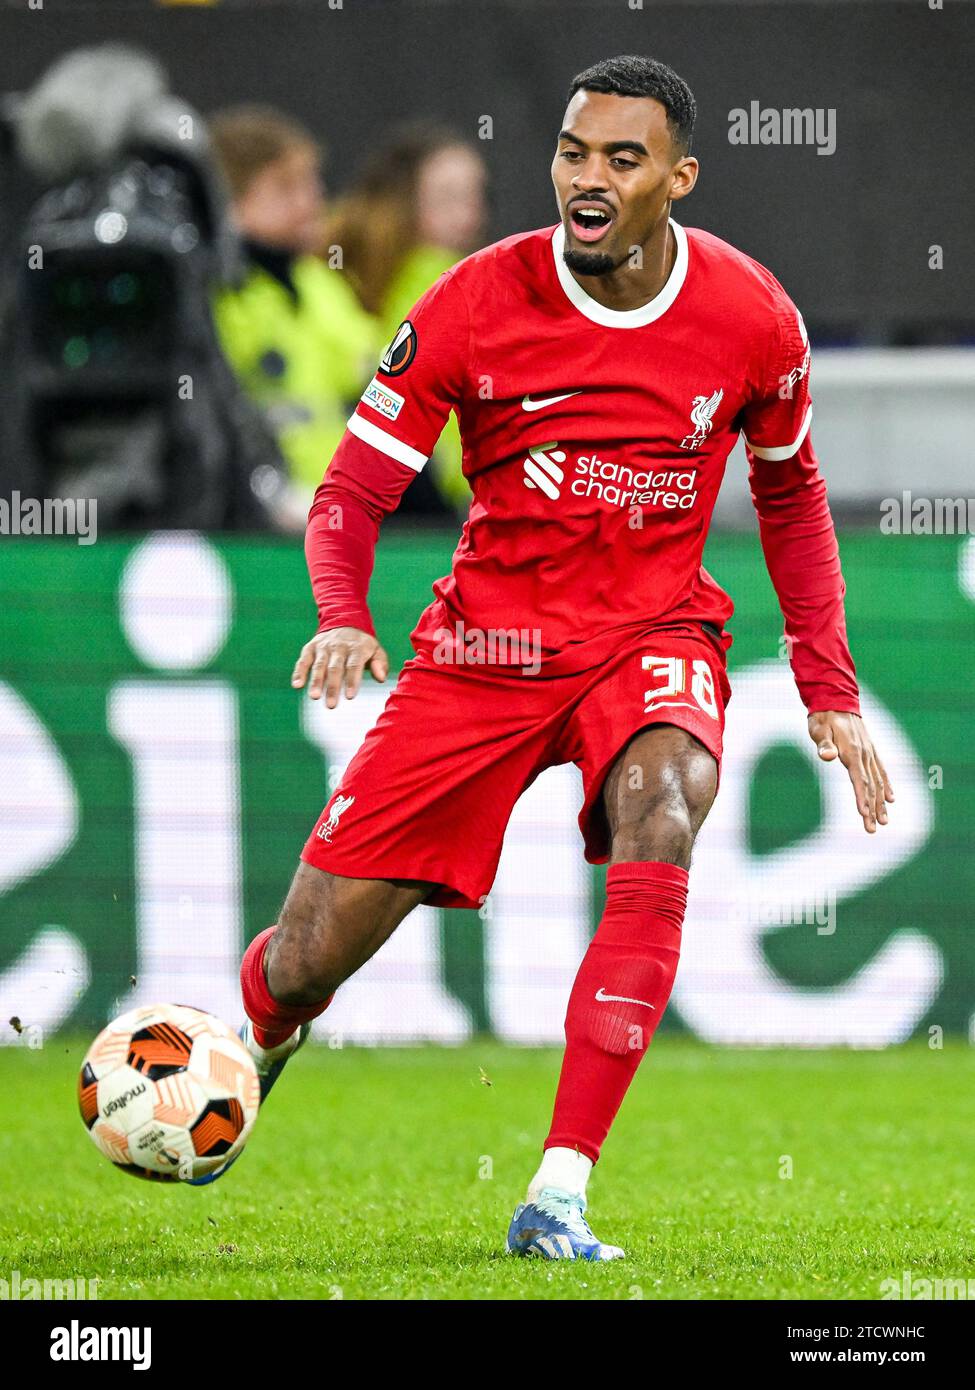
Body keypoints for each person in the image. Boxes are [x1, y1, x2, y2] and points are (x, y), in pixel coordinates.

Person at [196, 55, 894, 1262]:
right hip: (484, 651)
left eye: (623, 159)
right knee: (310, 956)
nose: (589, 176)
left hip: (651, 632)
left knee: (665, 802)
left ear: (677, 178)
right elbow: (355, 485)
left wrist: (828, 684)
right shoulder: (472, 301)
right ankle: (251, 1043)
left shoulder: (752, 316)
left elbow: (793, 496)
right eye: (574, 151)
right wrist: (340, 609)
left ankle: (558, 1192)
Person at [210, 106, 380, 527]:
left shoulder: (322, 286)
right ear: (231, 200)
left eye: (311, 181)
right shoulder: (214, 297)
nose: (312, 200)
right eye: (286, 187)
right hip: (252, 530)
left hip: (348, 521)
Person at [326, 121, 487, 512]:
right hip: (441, 498)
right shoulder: (448, 280)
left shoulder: (339, 271)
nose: (467, 214)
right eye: (447, 198)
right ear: (404, 200)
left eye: (475, 196)